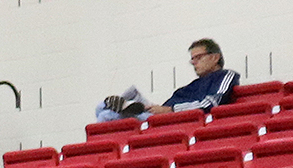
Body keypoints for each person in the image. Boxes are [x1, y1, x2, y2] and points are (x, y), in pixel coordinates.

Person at [98, 38, 240, 120]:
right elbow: (164, 108)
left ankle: (134, 108)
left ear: (215, 57)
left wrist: (171, 110)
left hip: (177, 121)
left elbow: (211, 103)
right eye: (192, 59)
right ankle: (138, 106)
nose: (194, 63)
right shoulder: (191, 86)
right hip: (162, 117)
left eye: (198, 57)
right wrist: (153, 108)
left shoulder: (225, 76)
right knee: (102, 109)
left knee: (106, 116)